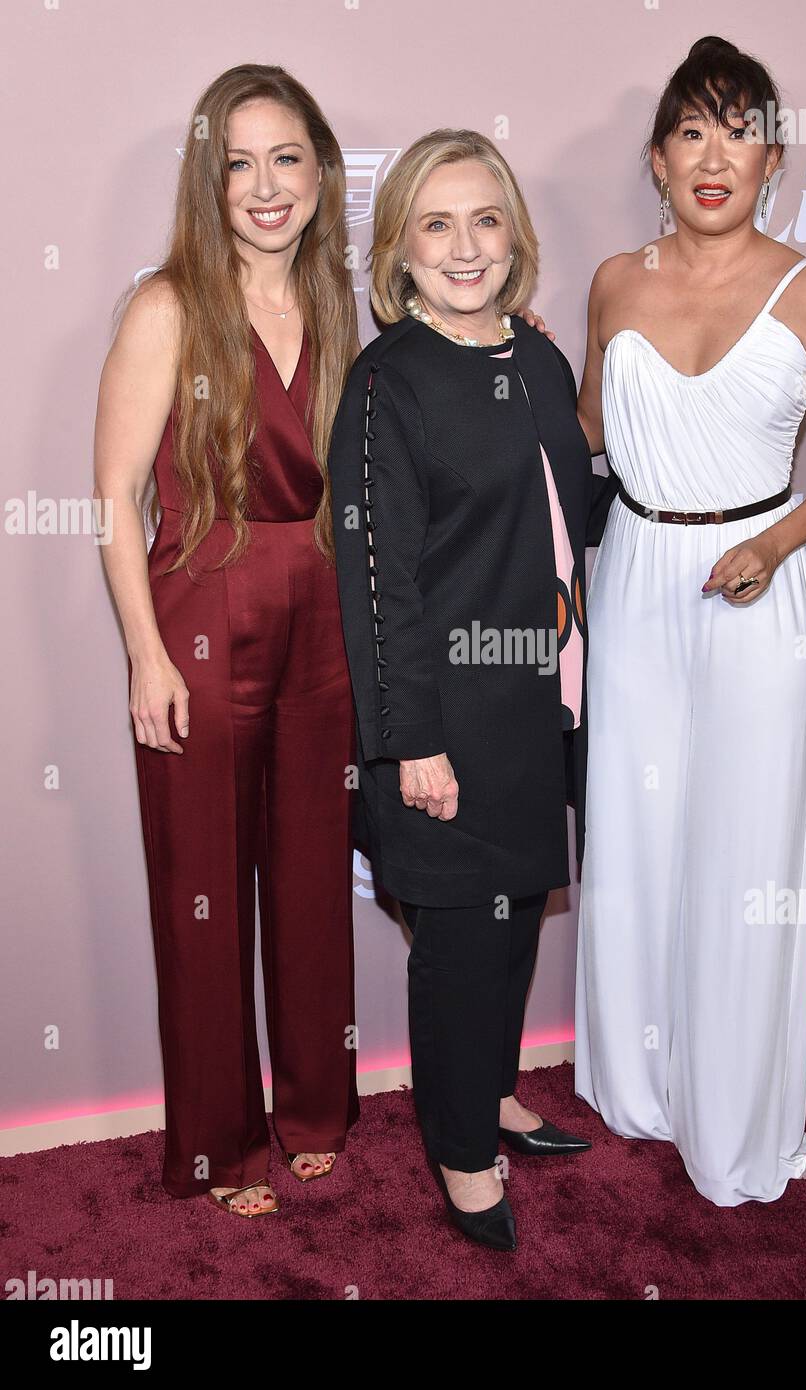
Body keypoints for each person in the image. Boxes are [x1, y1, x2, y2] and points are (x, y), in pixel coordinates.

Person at [574, 36, 806, 1206]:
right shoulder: (613, 281)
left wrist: (771, 545)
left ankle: (737, 1120)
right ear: (658, 159)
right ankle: (642, 1086)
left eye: (739, 129)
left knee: (747, 847)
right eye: (692, 131)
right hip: (637, 574)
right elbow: (589, 432)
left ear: (775, 157)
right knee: (640, 836)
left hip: (759, 578)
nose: (715, 154)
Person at [328, 129, 610, 1251]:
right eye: (436, 223)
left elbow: (565, 511)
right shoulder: (388, 381)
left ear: (514, 235)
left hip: (540, 705)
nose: (464, 245)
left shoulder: (535, 358)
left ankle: (490, 1093)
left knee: (514, 925)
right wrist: (412, 744)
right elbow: (378, 579)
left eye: (484, 218)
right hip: (446, 717)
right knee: (456, 944)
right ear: (398, 248)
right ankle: (459, 1149)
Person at [94, 66, 362, 1216]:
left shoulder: (346, 303)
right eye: (239, 162)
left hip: (326, 612)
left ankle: (312, 1107)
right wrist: (146, 655)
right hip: (200, 608)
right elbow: (112, 498)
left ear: (320, 173)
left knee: (311, 877)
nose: (265, 185)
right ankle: (219, 1146)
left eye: (286, 158)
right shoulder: (167, 304)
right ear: (212, 178)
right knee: (203, 886)